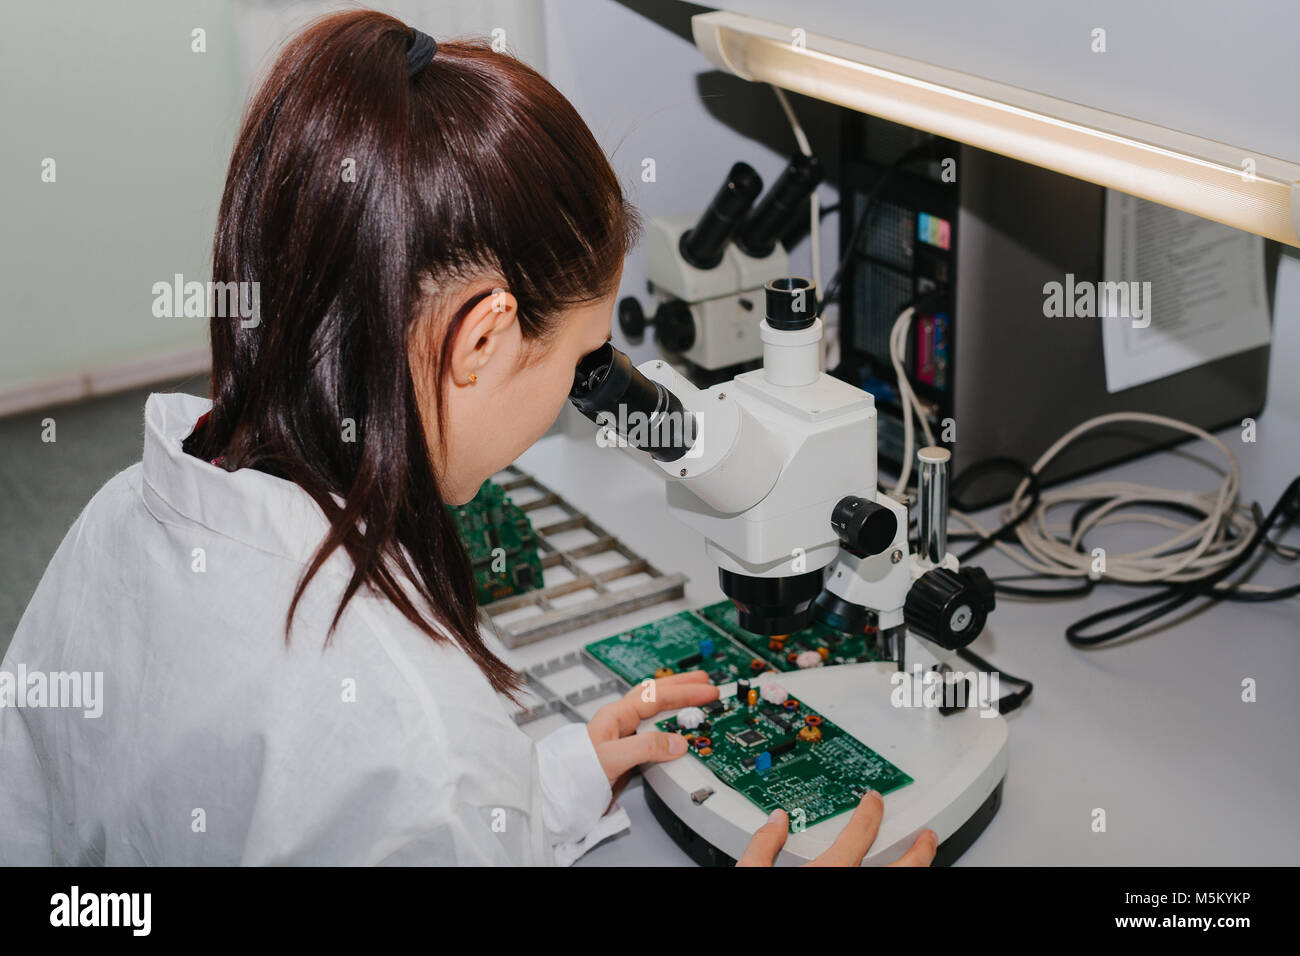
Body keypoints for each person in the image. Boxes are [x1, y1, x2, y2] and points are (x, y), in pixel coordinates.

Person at [0, 9, 937, 867]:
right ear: (481, 338)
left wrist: (530, 793)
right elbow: (399, 796)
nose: (591, 389)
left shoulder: (120, 520)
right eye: (583, 358)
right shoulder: (417, 748)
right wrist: (468, 790)